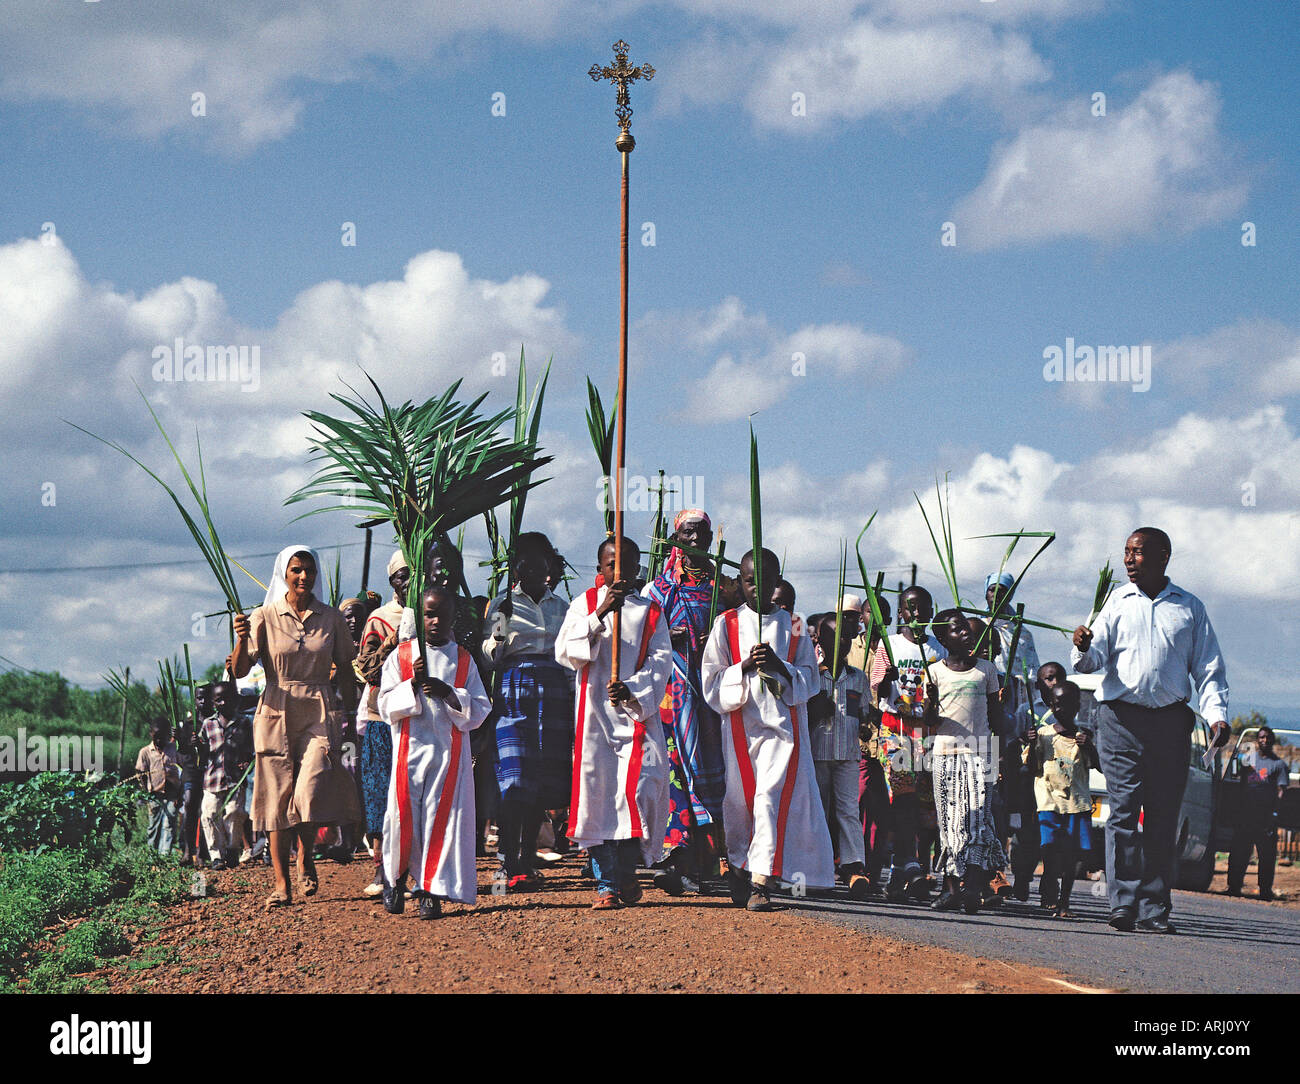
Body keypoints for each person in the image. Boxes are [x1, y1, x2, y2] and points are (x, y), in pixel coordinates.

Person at [1072, 527, 1229, 934]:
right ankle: (1122, 904)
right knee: (1123, 812)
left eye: (1137, 553)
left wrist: (1216, 717)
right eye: (1125, 552)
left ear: (1163, 556)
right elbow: (1089, 664)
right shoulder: (1116, 603)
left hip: (1170, 723)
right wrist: (1084, 646)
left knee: (1161, 817)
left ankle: (1154, 908)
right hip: (1120, 720)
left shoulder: (1189, 608)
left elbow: (1209, 670)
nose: (1128, 560)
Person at [229, 545, 362, 910]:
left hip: (319, 707)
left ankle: (305, 854)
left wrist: (348, 718)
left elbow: (346, 671)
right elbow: (240, 671)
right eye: (296, 570)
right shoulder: (264, 616)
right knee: (275, 797)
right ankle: (281, 882)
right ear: (283, 574)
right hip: (276, 706)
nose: (304, 576)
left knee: (311, 786)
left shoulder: (332, 619)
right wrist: (241, 637)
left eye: (309, 570)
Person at [702, 548, 834, 912]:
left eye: (764, 581)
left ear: (777, 581)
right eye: (748, 581)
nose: (756, 589)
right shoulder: (726, 623)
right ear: (740, 582)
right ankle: (741, 868)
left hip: (782, 732)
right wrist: (743, 666)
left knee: (768, 800)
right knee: (741, 803)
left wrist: (779, 666)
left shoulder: (793, 624)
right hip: (742, 729)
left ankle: (762, 880)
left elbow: (811, 682)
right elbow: (710, 681)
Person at [556, 535, 673, 910]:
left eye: (626, 565)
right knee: (599, 797)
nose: (618, 572)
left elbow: (661, 662)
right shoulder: (584, 605)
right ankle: (607, 884)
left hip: (634, 717)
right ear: (600, 569)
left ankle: (626, 873)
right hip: (593, 720)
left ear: (638, 569)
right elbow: (565, 651)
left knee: (636, 791)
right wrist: (600, 614)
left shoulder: (650, 612)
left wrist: (632, 689)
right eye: (611, 565)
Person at [378, 586, 492, 918]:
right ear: (420, 615)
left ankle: (428, 888)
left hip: (447, 753)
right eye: (429, 614)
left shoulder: (464, 658)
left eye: (442, 614)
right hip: (409, 751)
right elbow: (384, 704)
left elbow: (481, 707)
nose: (435, 621)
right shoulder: (402, 656)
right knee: (402, 817)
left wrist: (451, 693)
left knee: (436, 819)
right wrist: (410, 684)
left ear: (453, 616)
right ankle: (395, 879)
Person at [642, 509, 727, 895]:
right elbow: (642, 637)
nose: (695, 540)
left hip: (711, 697)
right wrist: (667, 634)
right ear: (676, 537)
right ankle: (676, 856)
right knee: (675, 770)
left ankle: (708, 860)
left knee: (713, 771)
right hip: (672, 697)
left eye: (702, 534)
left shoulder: (723, 589)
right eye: (688, 534)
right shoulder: (657, 590)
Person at [482, 531, 572, 891]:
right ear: (514, 566)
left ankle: (527, 857)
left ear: (549, 566)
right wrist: (500, 631)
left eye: (539, 563)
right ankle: (507, 857)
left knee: (542, 780)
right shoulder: (502, 605)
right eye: (524, 563)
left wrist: (572, 700)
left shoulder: (561, 608)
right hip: (514, 690)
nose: (531, 570)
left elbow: (567, 659)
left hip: (551, 694)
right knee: (515, 778)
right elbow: (489, 659)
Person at [927, 609, 1009, 915]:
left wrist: (999, 756)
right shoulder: (934, 672)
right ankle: (951, 888)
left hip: (979, 754)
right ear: (942, 639)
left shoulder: (986, 670)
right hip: (945, 755)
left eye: (966, 628)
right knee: (949, 823)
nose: (965, 633)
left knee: (976, 820)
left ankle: (973, 887)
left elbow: (995, 715)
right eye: (957, 630)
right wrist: (929, 702)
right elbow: (930, 721)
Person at [870, 585, 946, 902]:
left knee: (920, 806)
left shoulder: (936, 650)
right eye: (910, 607)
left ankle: (900, 876)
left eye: (922, 607)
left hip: (925, 733)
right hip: (896, 729)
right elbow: (874, 686)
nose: (916, 613)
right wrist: (886, 678)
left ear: (930, 612)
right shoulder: (890, 645)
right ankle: (910, 864)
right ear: (901, 612)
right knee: (903, 796)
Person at [356, 551, 410, 898]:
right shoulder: (380, 618)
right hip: (381, 717)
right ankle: (381, 868)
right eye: (402, 576)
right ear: (392, 581)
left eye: (414, 574)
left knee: (409, 795)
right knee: (379, 792)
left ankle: (410, 870)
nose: (409, 582)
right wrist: (394, 643)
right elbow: (366, 669)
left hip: (419, 719)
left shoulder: (434, 610)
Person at [808, 613, 870, 898]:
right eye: (836, 637)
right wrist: (815, 709)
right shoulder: (813, 676)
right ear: (821, 641)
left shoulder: (858, 678)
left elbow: (864, 713)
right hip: (818, 752)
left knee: (848, 809)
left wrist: (868, 725)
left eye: (847, 637)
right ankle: (815, 864)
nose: (842, 643)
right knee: (818, 808)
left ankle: (854, 864)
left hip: (847, 753)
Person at [1023, 680, 1096, 917]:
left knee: (1073, 855)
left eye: (1067, 704)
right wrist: (1032, 744)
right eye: (1056, 704)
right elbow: (1032, 767)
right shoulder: (1043, 736)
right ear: (1050, 706)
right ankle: (1050, 891)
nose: (1060, 709)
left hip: (1076, 803)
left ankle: (1065, 902)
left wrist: (1090, 748)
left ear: (1077, 706)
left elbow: (1098, 766)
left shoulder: (1083, 737)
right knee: (1050, 848)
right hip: (1049, 802)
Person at [1227, 726, 1290, 900]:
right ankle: (1233, 887)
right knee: (1239, 851)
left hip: (1265, 817)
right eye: (1261, 737)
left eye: (1268, 738)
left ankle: (1265, 890)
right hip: (1246, 815)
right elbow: (1238, 784)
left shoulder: (1278, 765)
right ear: (1257, 741)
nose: (1265, 740)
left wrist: (1275, 815)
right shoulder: (1248, 761)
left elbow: (1281, 791)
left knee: (1267, 856)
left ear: (1272, 741)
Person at [198, 679, 254, 869]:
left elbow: (249, 748)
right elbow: (202, 750)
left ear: (235, 700)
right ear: (213, 703)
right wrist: (194, 745)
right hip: (212, 779)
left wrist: (247, 762)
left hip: (235, 779)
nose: (223, 704)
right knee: (210, 814)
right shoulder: (208, 724)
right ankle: (216, 856)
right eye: (219, 700)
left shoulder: (243, 723)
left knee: (234, 813)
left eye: (227, 699)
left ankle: (232, 848)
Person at [135, 719, 181, 855]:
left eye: (163, 737)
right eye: (156, 737)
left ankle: (164, 855)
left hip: (172, 793)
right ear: (151, 734)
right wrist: (145, 792)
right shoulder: (145, 752)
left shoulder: (173, 749)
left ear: (168, 735)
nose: (160, 740)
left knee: (169, 824)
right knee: (153, 825)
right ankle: (151, 855)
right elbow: (140, 772)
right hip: (154, 794)